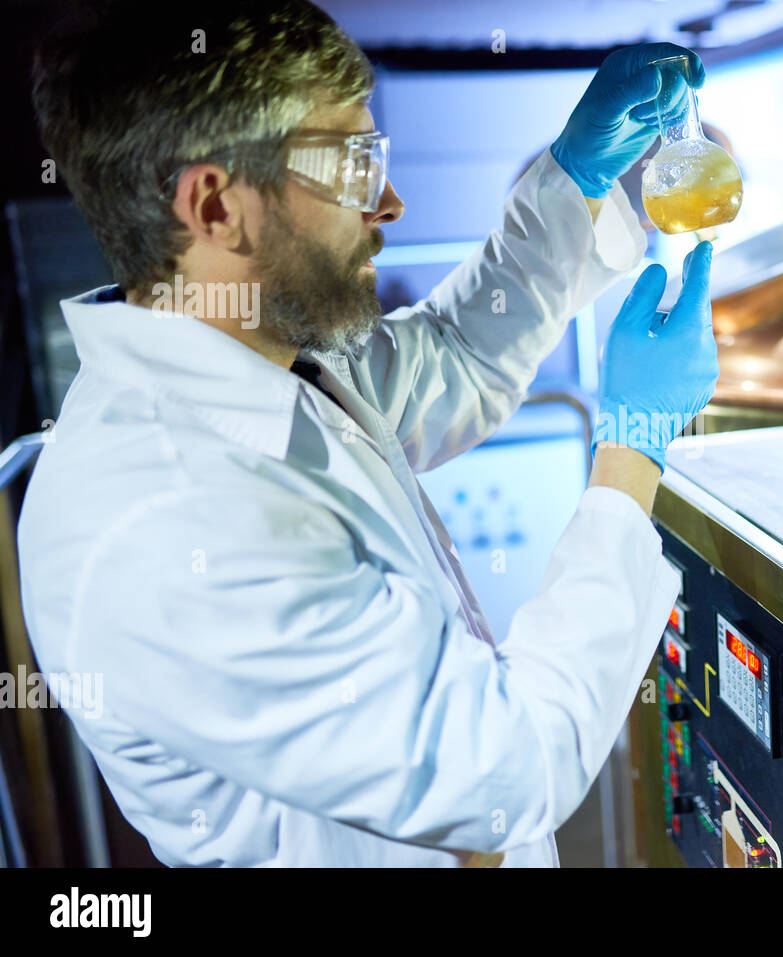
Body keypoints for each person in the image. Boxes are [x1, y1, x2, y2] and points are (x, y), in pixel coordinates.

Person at [17, 0, 718, 867]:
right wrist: (631, 452)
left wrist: (572, 179)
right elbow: (509, 768)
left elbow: (458, 353)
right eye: (352, 165)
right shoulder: (169, 519)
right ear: (214, 205)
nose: (389, 200)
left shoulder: (269, 355)